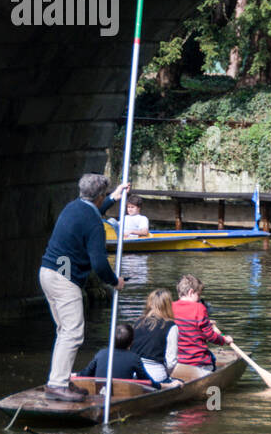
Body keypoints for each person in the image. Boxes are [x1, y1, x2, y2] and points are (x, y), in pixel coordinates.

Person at [39, 172, 127, 402]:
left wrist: (114, 198)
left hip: (48, 273)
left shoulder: (73, 206)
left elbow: (91, 211)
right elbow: (99, 263)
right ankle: (57, 385)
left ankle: (60, 379)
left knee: (64, 330)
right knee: (73, 332)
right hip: (63, 279)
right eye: (105, 196)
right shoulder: (95, 223)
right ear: (99, 196)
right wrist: (115, 281)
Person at [172, 273, 232, 375]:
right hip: (198, 362)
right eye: (198, 295)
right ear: (191, 292)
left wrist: (206, 323)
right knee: (211, 359)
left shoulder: (170, 307)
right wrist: (224, 339)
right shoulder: (199, 308)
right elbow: (209, 335)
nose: (199, 299)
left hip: (178, 361)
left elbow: (187, 324)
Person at [79, 322, 161, 390]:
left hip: (101, 392)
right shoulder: (134, 358)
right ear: (131, 342)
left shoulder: (101, 353)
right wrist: (162, 386)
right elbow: (147, 381)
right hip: (122, 394)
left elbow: (85, 374)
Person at [131, 288, 179, 383]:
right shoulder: (171, 326)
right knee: (179, 382)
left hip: (133, 373)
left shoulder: (137, 322)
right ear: (168, 305)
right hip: (155, 376)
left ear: (150, 304)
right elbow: (171, 362)